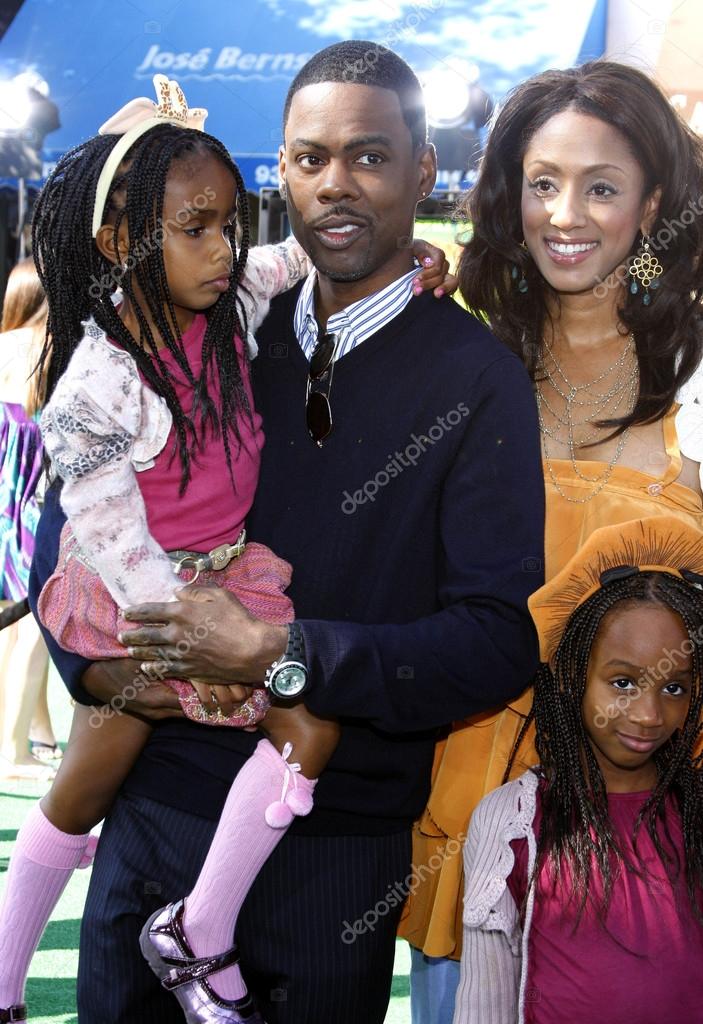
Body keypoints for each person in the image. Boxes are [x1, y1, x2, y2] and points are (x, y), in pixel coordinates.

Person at [29, 41, 544, 1024]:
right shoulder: (205, 312)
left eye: (369, 156)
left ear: (424, 170)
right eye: (309, 158)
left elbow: (494, 639)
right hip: (156, 812)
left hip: (333, 857)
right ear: (281, 169)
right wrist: (128, 677)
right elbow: (77, 534)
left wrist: (286, 655)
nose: (334, 184)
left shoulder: (476, 377)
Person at [400, 60, 703, 1020]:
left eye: (600, 186)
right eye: (541, 183)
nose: (563, 214)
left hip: (650, 832)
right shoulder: (463, 357)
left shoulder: (694, 368)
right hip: (468, 796)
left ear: (651, 204)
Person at [453, 515, 703, 1023]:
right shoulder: (510, 823)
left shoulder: (696, 812)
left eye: (673, 688)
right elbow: (484, 1004)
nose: (649, 715)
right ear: (571, 674)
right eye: (623, 682)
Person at [0, 257, 58, 779]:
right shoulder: (49, 351)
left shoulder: (4, 345)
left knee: (9, 630)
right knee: (34, 629)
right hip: (32, 509)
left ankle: (31, 733)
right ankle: (12, 751)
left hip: (4, 505)